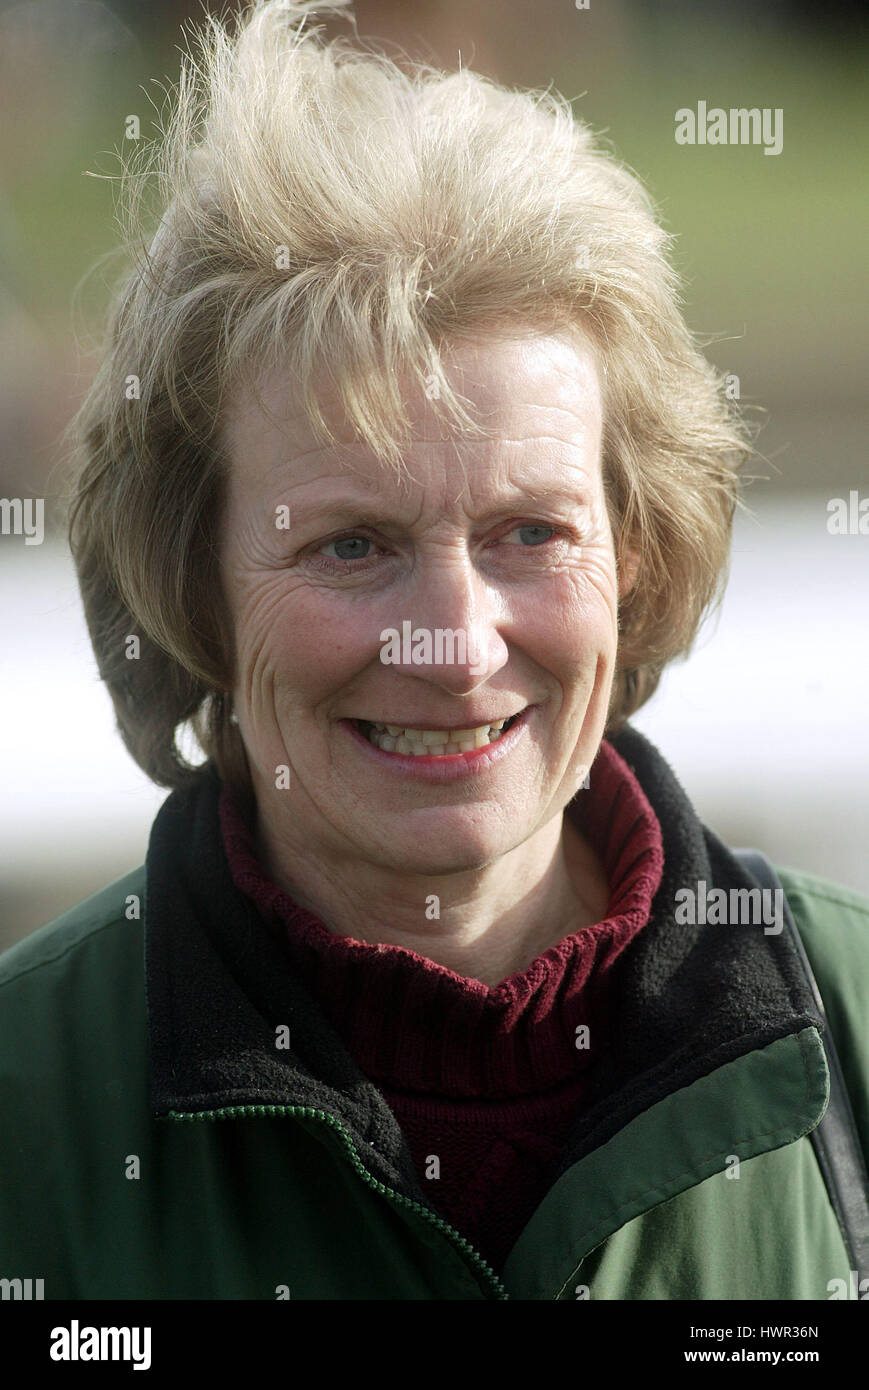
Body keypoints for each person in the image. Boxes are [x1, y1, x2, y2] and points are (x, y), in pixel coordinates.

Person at [1, 0, 866, 1301]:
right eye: (351, 544)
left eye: (529, 530)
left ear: (635, 555)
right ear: (192, 582)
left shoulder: (850, 1031)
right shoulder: (26, 1102)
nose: (454, 642)